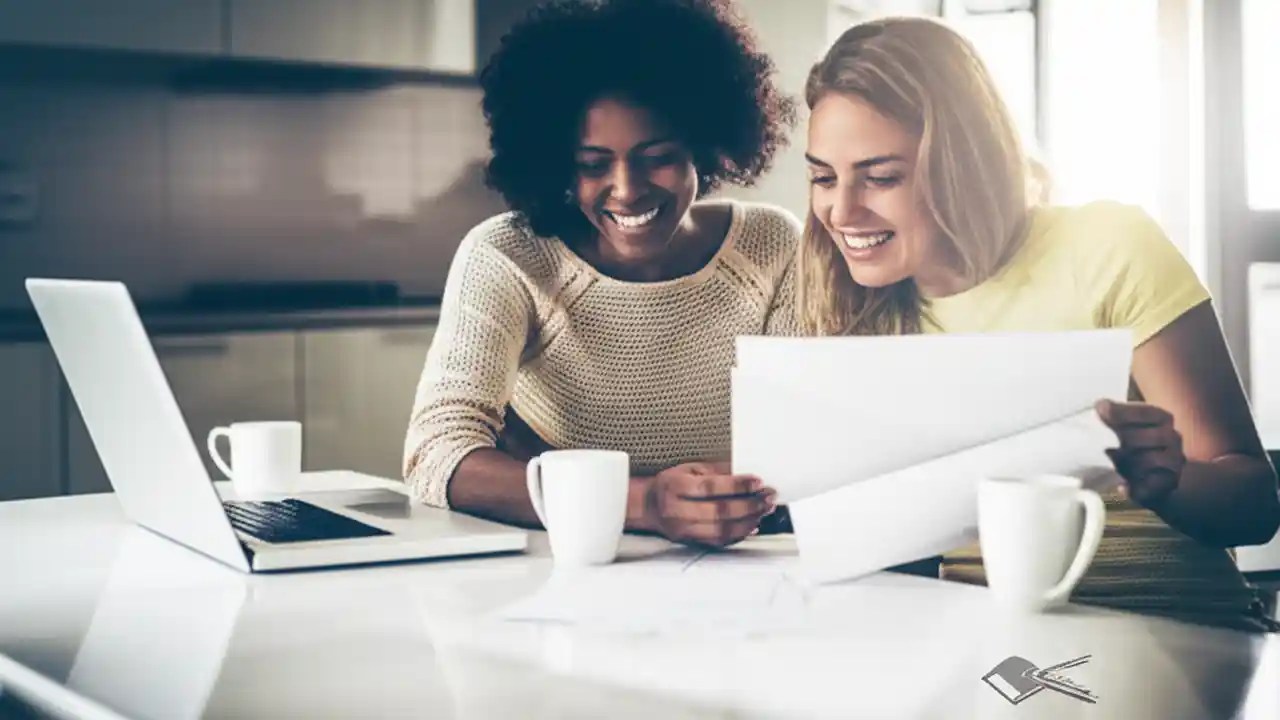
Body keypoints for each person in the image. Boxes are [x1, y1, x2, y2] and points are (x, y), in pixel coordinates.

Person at [797, 17, 1280, 629]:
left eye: (882, 177)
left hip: (1173, 623)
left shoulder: (1109, 247)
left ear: (964, 163)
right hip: (983, 643)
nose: (841, 211)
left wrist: (1171, 479)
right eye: (822, 176)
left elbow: (1253, 505)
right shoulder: (853, 307)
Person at [404, 0, 799, 548]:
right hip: (569, 558)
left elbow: (801, 439)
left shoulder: (772, 246)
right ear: (557, 164)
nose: (627, 188)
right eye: (592, 164)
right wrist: (643, 503)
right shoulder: (510, 257)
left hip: (744, 561)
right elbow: (436, 455)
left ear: (702, 149)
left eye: (656, 156)